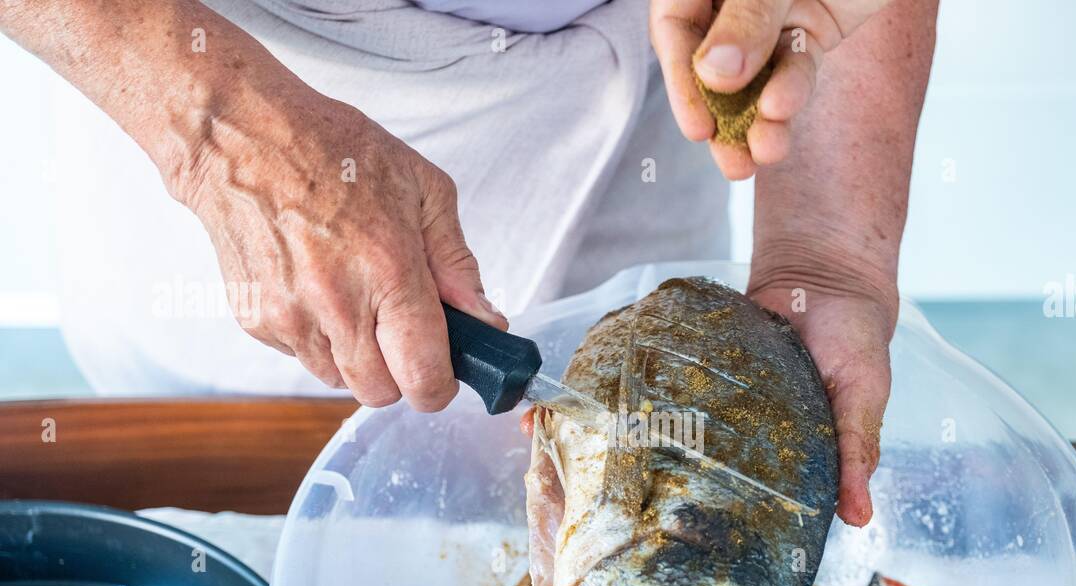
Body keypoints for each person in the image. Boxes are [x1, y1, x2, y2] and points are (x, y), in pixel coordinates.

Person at [1, 0, 931, 529]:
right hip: (214, 78)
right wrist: (221, 140)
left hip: (645, 87)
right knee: (223, 537)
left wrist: (829, 250)